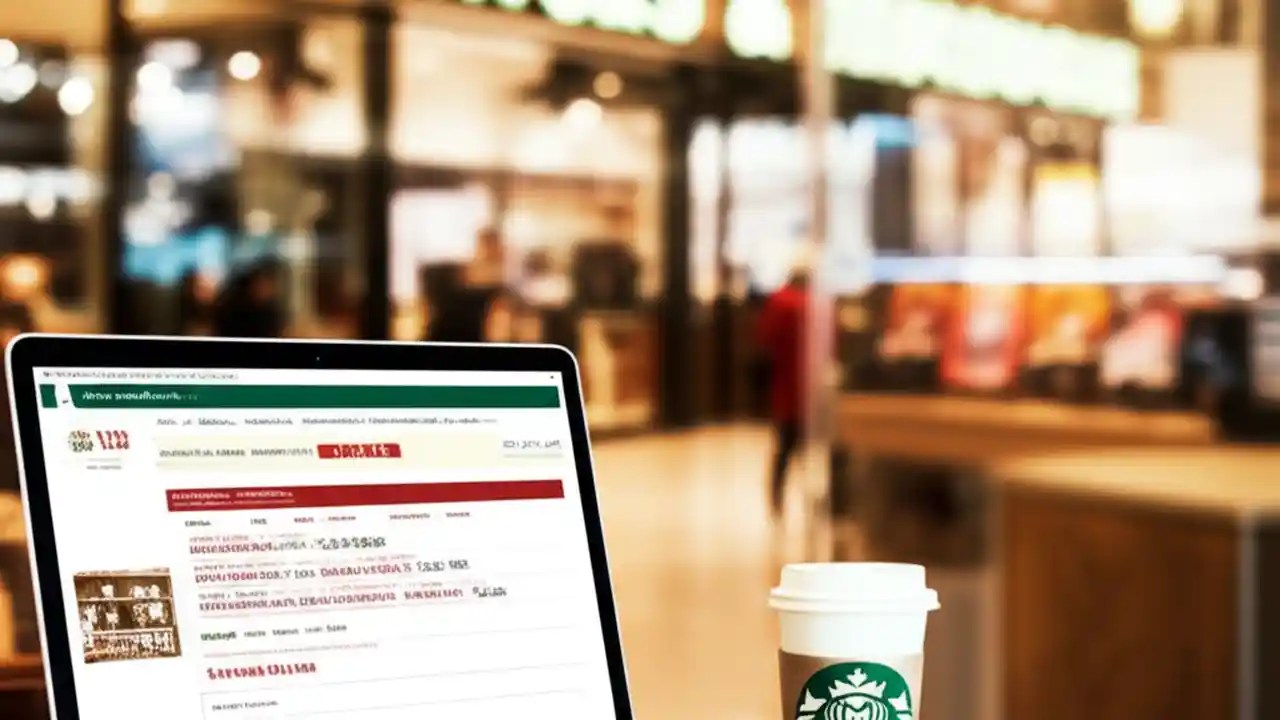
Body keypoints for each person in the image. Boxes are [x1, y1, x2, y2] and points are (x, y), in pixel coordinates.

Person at [757, 264, 810, 517]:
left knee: (784, 450)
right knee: (807, 451)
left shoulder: (779, 302)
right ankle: (815, 504)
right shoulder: (811, 304)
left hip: (785, 389)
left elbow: (765, 339)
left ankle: (777, 501)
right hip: (808, 391)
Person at [212, 259, 286, 338]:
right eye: (260, 285)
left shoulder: (271, 312)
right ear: (250, 286)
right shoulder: (234, 311)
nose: (267, 290)